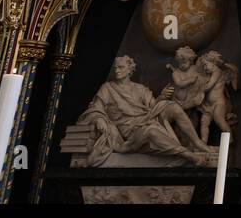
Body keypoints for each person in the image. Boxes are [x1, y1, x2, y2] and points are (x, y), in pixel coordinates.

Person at [77, 55, 215, 166]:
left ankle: (198, 143)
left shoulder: (140, 88)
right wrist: (100, 119)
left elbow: (153, 107)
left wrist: (161, 97)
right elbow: (95, 109)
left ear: (130, 70)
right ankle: (187, 155)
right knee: (151, 131)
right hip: (130, 130)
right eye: (116, 68)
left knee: (171, 106)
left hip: (147, 119)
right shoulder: (107, 88)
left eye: (121, 67)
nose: (117, 70)